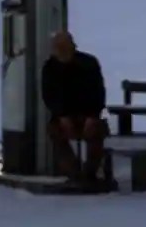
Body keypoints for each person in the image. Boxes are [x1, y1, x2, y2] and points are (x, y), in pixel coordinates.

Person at [41, 30, 107, 182]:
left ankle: (90, 173)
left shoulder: (89, 64)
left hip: (89, 114)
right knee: (55, 132)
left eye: (65, 47)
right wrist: (62, 116)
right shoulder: (50, 68)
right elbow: (49, 96)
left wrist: (92, 116)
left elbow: (98, 93)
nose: (62, 51)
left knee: (97, 131)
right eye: (58, 48)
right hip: (63, 116)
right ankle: (74, 173)